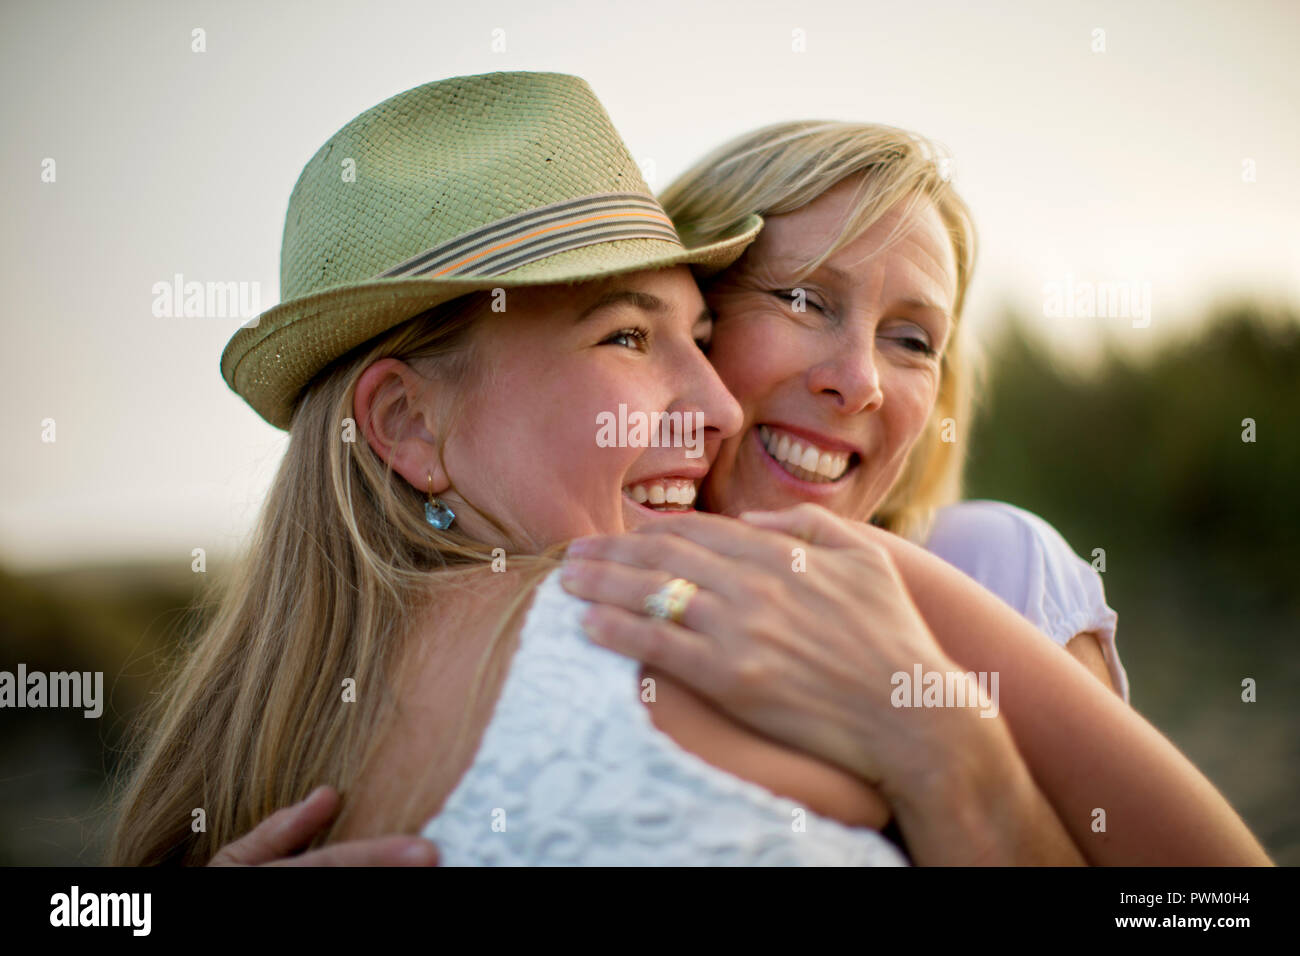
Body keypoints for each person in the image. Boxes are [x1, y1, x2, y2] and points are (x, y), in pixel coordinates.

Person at [136, 71, 1268, 866]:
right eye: (631, 335)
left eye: (913, 339)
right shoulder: (244, 748)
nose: (858, 382)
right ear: (406, 423)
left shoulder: (944, 574)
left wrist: (950, 751)